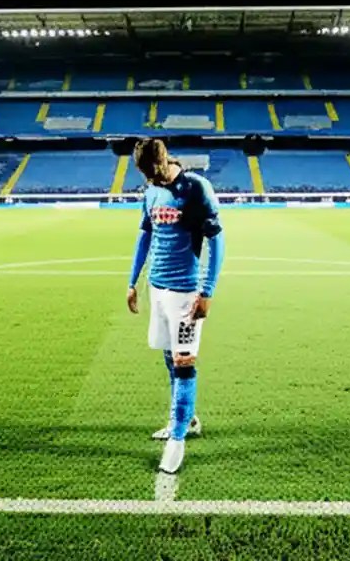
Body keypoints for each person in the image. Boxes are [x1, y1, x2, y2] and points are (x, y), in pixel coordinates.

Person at [126, 138, 225, 474]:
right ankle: (186, 417)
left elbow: (217, 239)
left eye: (152, 171)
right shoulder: (151, 191)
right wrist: (132, 282)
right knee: (169, 357)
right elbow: (145, 235)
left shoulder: (196, 188)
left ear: (164, 158)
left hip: (186, 293)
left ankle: (177, 440)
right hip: (157, 289)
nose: (149, 178)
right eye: (144, 174)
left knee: (184, 361)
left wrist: (207, 291)